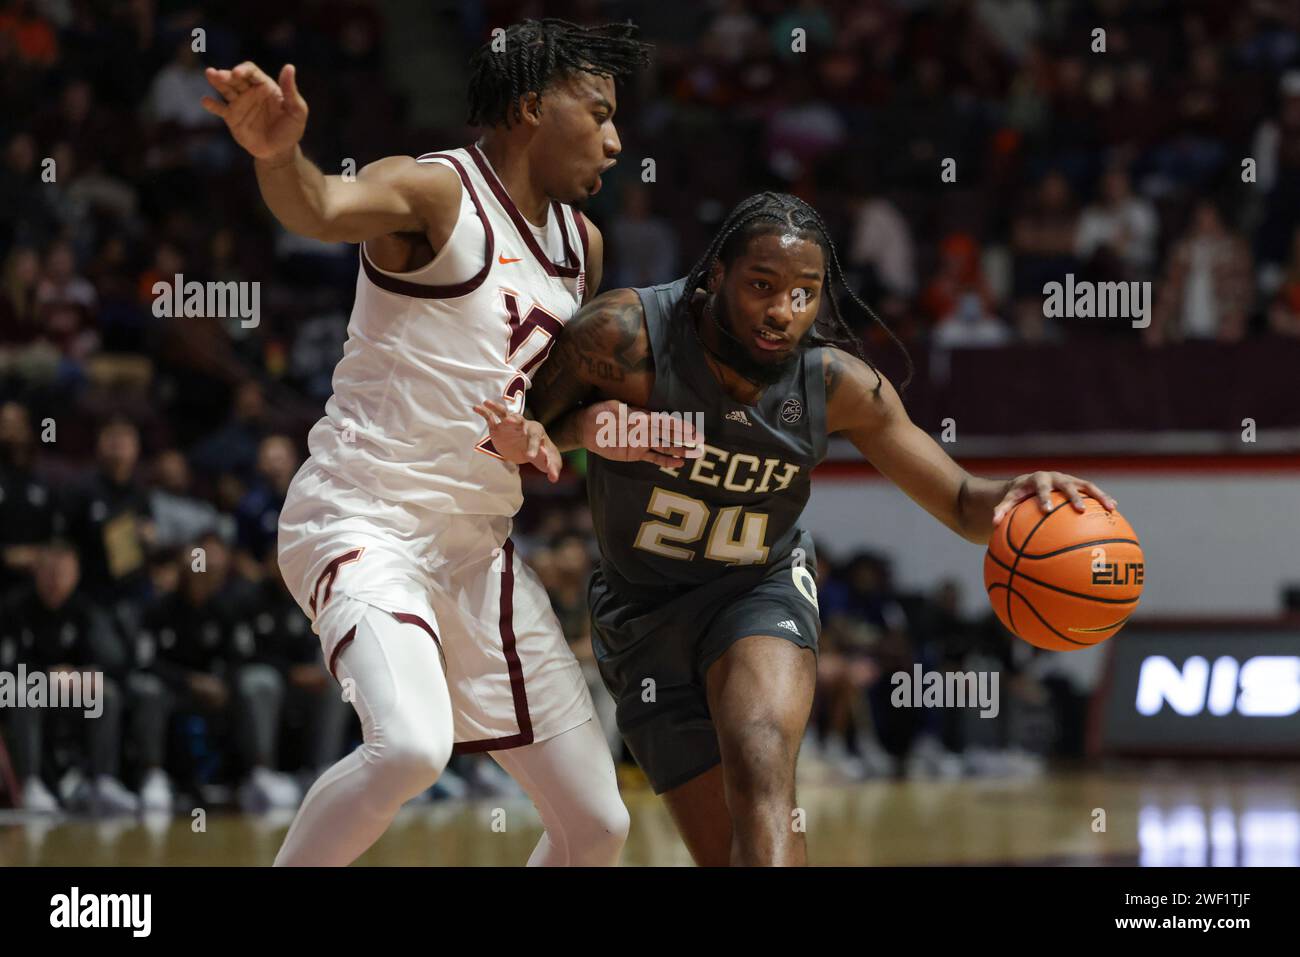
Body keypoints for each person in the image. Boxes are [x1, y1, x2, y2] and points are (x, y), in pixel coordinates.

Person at [486, 191, 1116, 865]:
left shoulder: (839, 386)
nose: (783, 311)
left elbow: (962, 502)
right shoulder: (621, 338)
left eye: (804, 293)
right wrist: (588, 431)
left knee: (762, 761)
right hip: (642, 614)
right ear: (716, 275)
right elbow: (508, 441)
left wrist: (1014, 496)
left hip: (756, 591)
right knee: (735, 853)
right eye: (762, 285)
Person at [201, 18, 666, 866]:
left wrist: (584, 436)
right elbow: (324, 205)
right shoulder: (433, 193)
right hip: (363, 516)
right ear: (529, 107)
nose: (615, 137)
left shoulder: (583, 249)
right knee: (413, 748)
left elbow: (554, 415)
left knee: (599, 822)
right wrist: (278, 155)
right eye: (597, 112)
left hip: (477, 548)